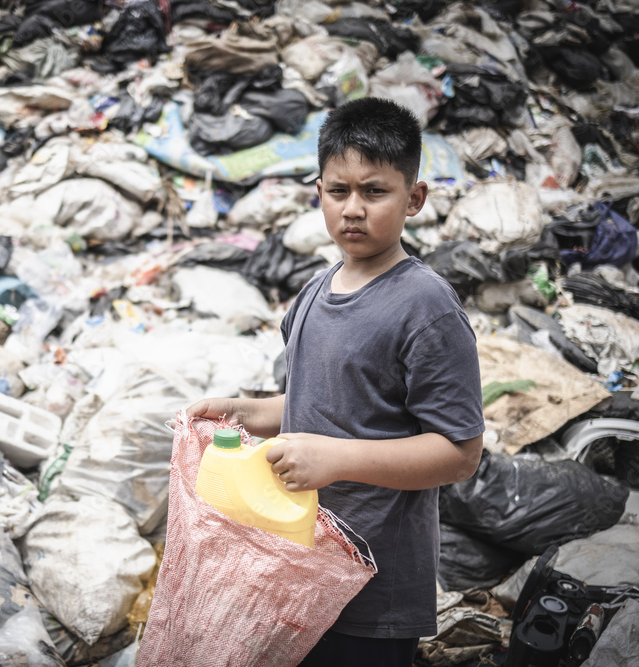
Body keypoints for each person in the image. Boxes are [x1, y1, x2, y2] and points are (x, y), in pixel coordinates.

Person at [186, 97, 485, 667]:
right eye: (338, 190)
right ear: (316, 192)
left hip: (372, 582)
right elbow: (321, 400)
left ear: (414, 199)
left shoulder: (425, 307)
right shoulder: (314, 293)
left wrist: (337, 460)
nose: (353, 209)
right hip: (297, 563)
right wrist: (245, 412)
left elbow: (458, 452)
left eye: (375, 192)